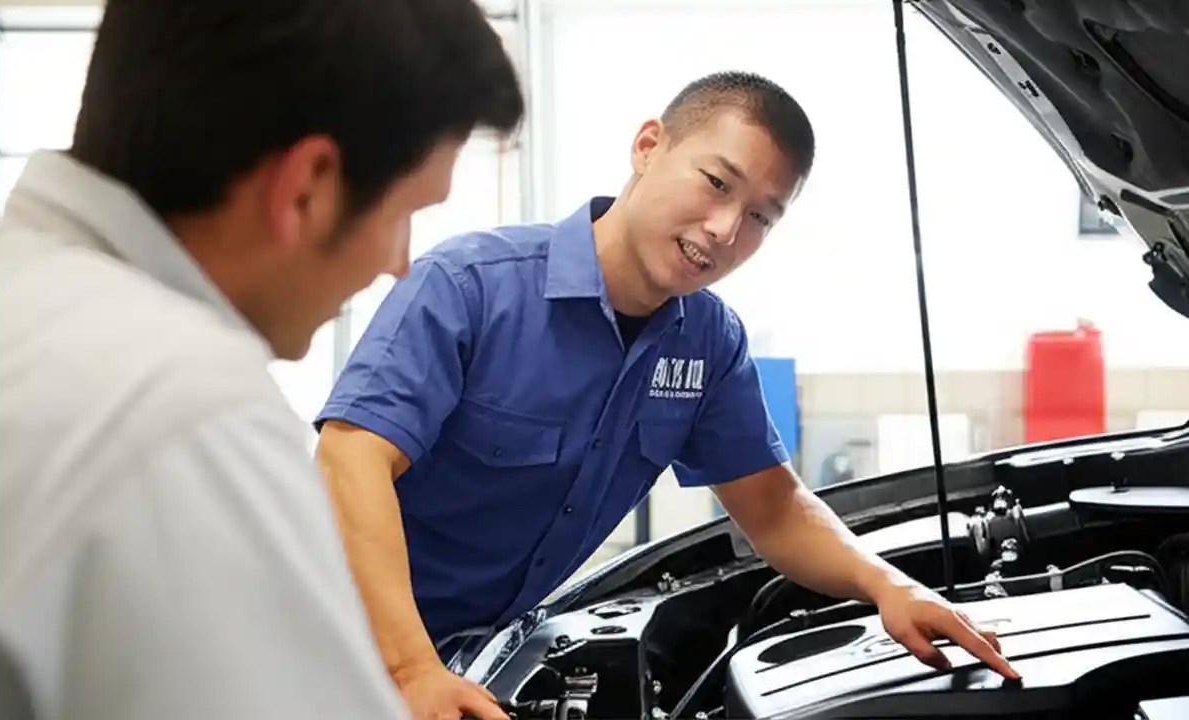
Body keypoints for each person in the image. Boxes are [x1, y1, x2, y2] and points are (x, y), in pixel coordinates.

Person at [315, 70, 1020, 720]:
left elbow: (775, 509)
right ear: (649, 145)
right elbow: (349, 460)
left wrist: (892, 587)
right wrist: (409, 667)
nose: (725, 231)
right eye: (717, 182)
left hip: (470, 662)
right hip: (315, 639)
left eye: (761, 218)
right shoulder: (470, 288)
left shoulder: (708, 344)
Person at [0, 1, 522, 718]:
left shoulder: (22, 295)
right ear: (305, 188)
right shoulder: (187, 408)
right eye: (405, 214)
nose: (399, 264)